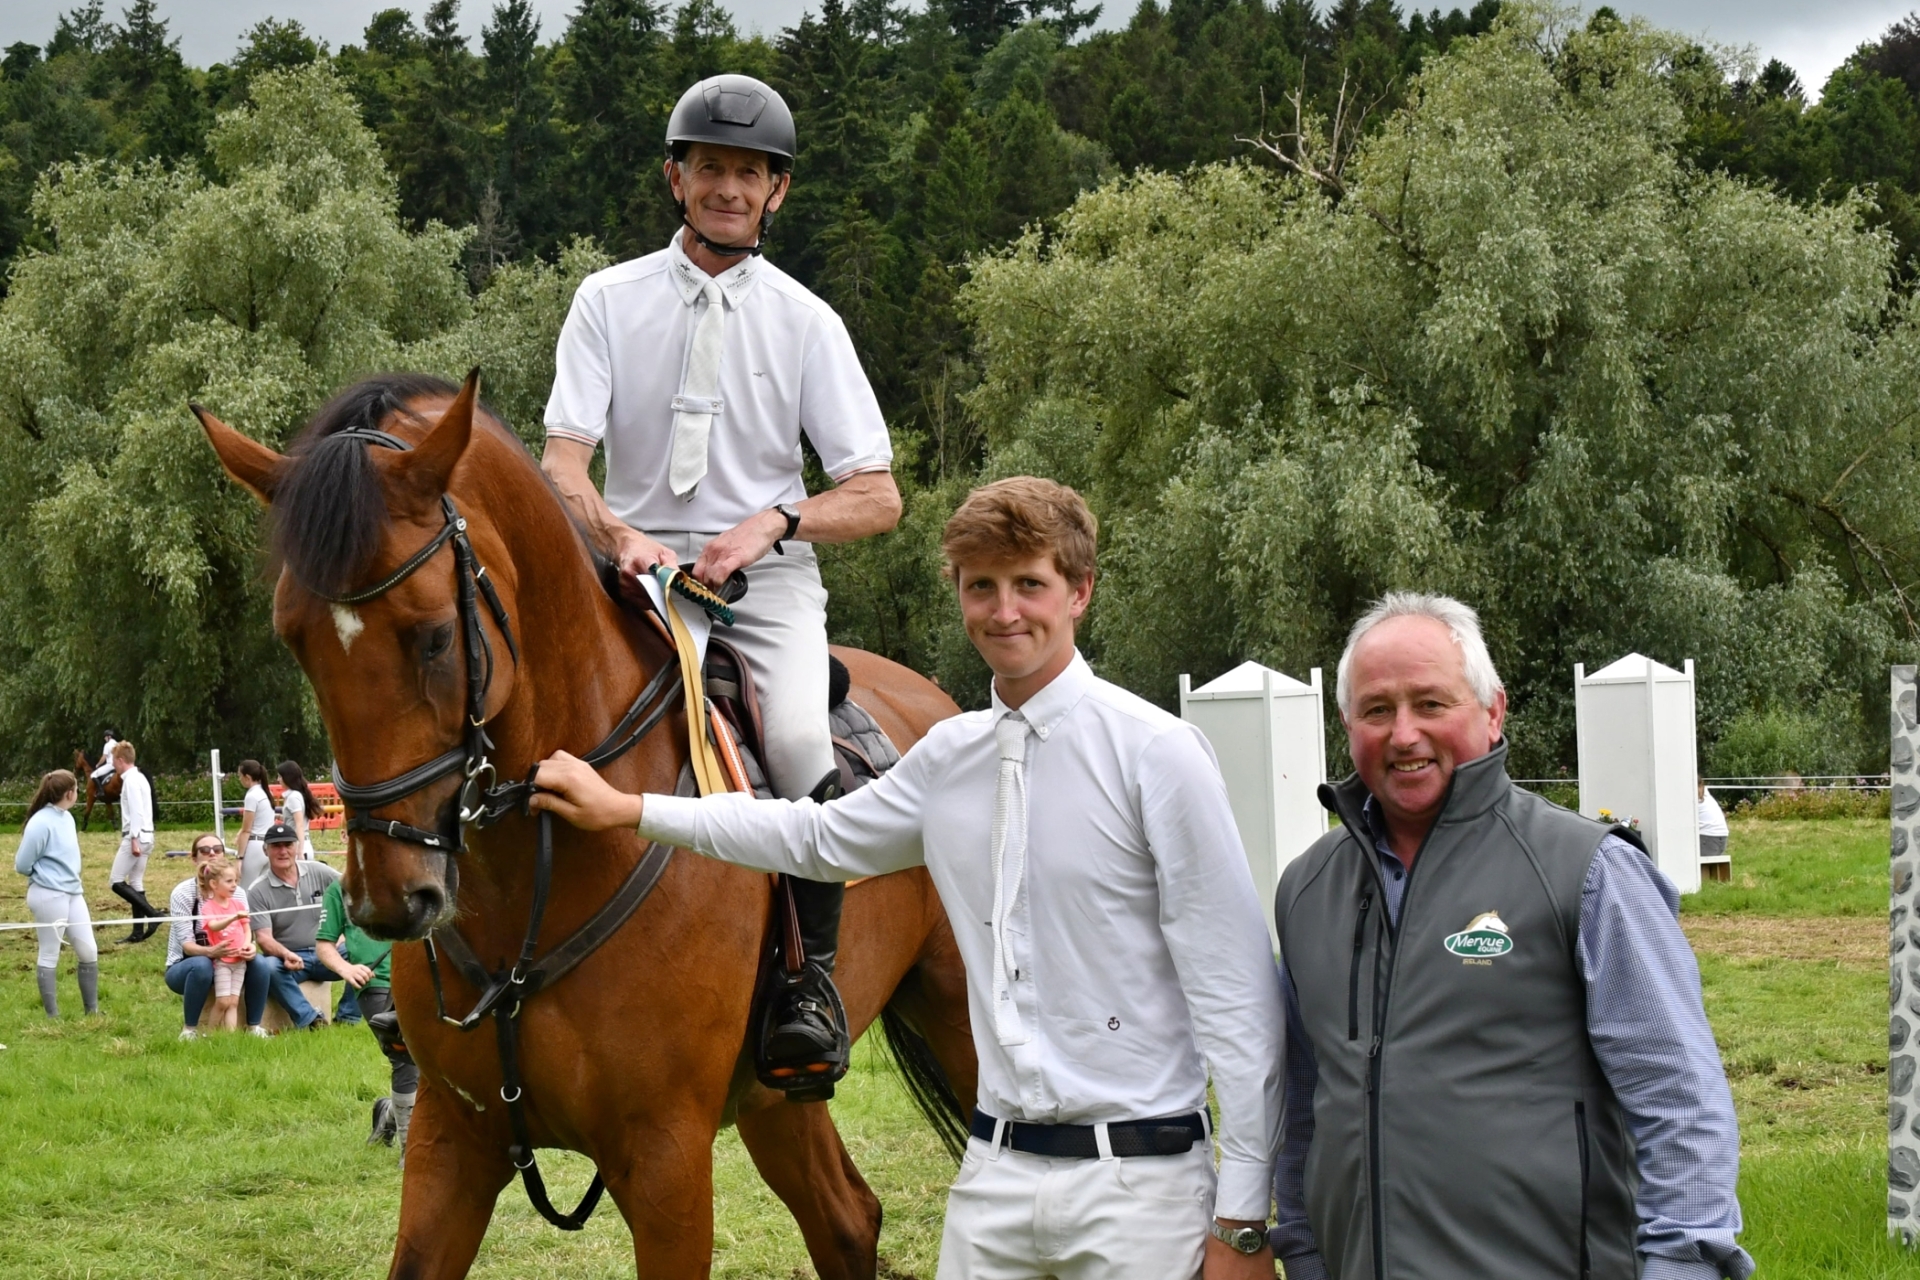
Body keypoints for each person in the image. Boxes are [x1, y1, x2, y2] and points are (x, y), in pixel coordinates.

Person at [531, 477, 1284, 1280]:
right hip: (994, 1183)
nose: (1004, 612)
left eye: (1030, 584)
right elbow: (813, 838)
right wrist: (628, 808)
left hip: (1140, 1185)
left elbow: (1240, 1000)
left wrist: (1241, 1221)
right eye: (981, 587)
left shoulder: (1157, 756)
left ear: (1080, 592)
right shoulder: (951, 757)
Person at [540, 73, 903, 1090]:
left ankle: (808, 982)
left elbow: (879, 495)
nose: (729, 189)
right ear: (676, 178)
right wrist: (616, 529)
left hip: (764, 584)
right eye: (711, 169)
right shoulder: (606, 300)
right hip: (630, 569)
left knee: (791, 742)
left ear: (777, 191)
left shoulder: (807, 321)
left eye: (750, 173)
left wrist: (777, 519)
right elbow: (562, 458)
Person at [1268, 593, 1753, 1280]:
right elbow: (1304, 1110)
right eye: (1378, 710)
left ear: (1493, 711)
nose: (1404, 733)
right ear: (1347, 723)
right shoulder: (1307, 890)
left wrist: (1683, 1261)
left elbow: (1678, 1097)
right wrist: (1305, 1251)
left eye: (1431, 704)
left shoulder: (1588, 871)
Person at [314, 876, 416, 1167]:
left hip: (422, 982)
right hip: (376, 984)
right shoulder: (339, 889)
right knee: (405, 1057)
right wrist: (346, 968)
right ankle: (412, 1148)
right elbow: (324, 945)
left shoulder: (414, 875)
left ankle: (388, 1112)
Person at [165, 834, 273, 1039]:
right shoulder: (183, 893)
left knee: (260, 963)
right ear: (194, 858)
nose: (212, 853)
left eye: (217, 849)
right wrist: (212, 952)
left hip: (232, 959)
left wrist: (249, 946)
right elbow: (187, 946)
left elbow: (244, 928)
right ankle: (189, 1031)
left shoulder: (238, 893)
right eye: (205, 850)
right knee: (202, 965)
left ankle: (254, 1027)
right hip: (185, 964)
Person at [14, 769, 99, 1017]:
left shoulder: (67, 818)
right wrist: (44, 875)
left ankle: (92, 1012)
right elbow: (22, 864)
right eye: (77, 790)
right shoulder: (40, 823)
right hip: (49, 894)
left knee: (88, 950)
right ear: (69, 793)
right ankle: (53, 1017)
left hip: (73, 891)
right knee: (50, 952)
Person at [248, 822, 344, 1030]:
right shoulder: (257, 890)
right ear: (266, 850)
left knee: (364, 951)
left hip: (329, 950)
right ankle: (309, 1020)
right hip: (292, 959)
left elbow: (350, 889)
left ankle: (348, 1018)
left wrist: (344, 933)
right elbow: (263, 938)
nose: (283, 851)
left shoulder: (319, 871)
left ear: (297, 847)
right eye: (276, 846)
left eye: (288, 845)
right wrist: (285, 954)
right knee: (268, 967)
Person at [108, 740, 161, 943]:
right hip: (148, 835)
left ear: (121, 760)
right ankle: (137, 932)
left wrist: (133, 838)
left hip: (137, 836)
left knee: (116, 881)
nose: (113, 765)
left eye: (114, 761)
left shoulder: (130, 780)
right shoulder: (140, 778)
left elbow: (137, 811)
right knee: (136, 881)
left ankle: (153, 914)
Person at [198, 856, 252, 1032]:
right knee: (222, 1000)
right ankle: (211, 1034)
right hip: (222, 962)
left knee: (234, 1001)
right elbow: (213, 926)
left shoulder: (237, 904)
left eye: (235, 880)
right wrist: (233, 917)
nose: (234, 885)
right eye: (229, 881)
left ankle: (230, 1037)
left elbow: (246, 929)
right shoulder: (208, 907)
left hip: (239, 961)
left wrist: (246, 944)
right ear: (214, 884)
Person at [234, 759, 275, 886]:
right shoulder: (266, 792)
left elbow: (247, 830)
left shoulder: (251, 796)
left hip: (255, 846)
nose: (239, 779)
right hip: (267, 844)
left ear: (247, 777)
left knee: (245, 888)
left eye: (240, 776)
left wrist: (239, 857)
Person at [277, 759, 318, 857]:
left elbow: (299, 825)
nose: (278, 779)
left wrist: (300, 851)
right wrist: (280, 816)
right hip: (300, 844)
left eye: (280, 776)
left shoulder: (293, 797)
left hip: (299, 847)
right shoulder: (296, 795)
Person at [1699, 779, 1730, 861]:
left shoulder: (1694, 796)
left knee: (1700, 870)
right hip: (1722, 835)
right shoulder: (1705, 792)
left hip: (1708, 836)